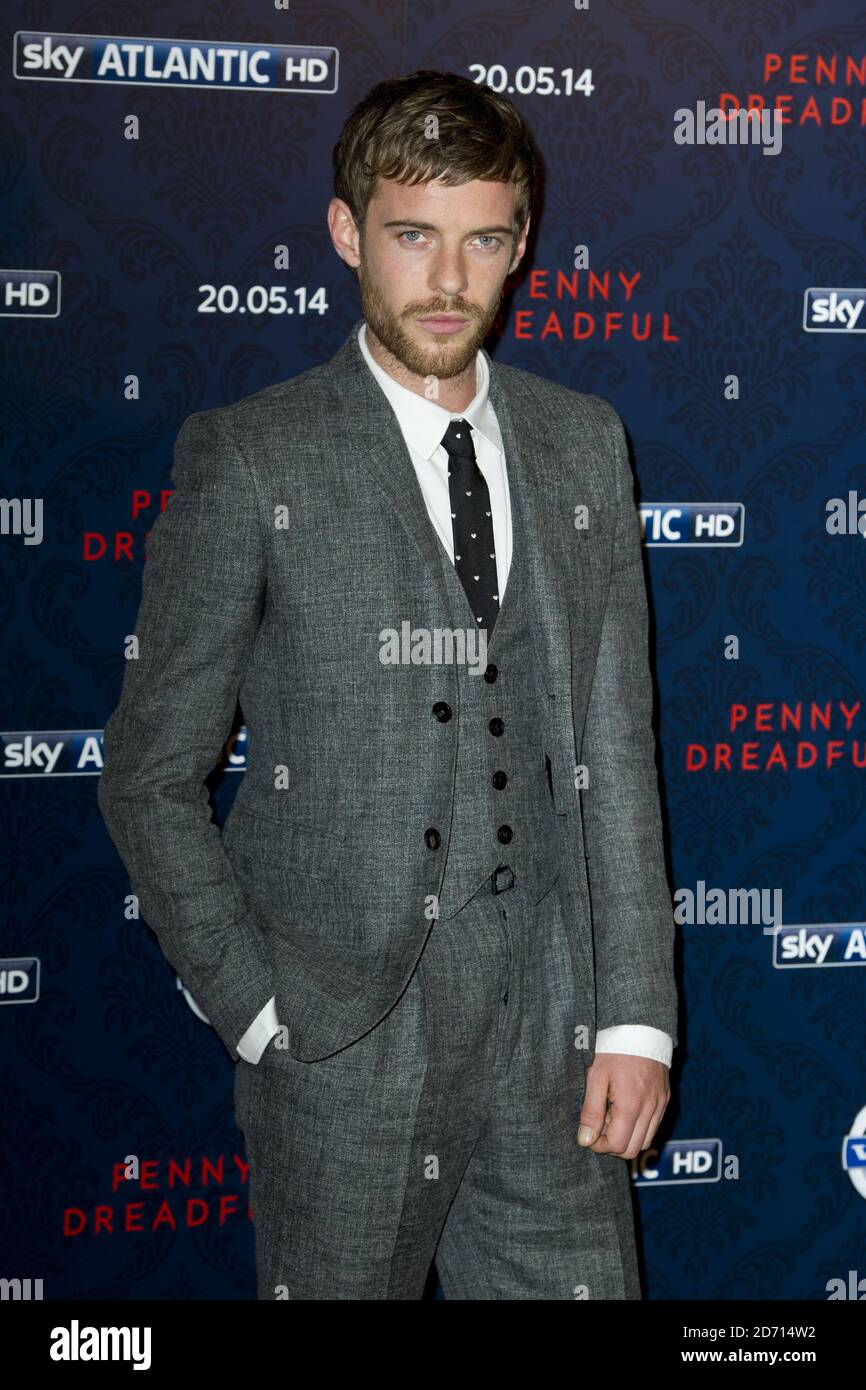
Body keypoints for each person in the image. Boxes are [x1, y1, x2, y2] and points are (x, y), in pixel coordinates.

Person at [98, 68, 677, 1300]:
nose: (450, 281)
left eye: (483, 240)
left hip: (554, 1031)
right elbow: (149, 770)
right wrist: (257, 1012)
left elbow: (615, 750)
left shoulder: (583, 441)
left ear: (522, 244)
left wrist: (634, 1017)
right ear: (347, 232)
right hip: (340, 1036)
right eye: (414, 237)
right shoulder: (252, 456)